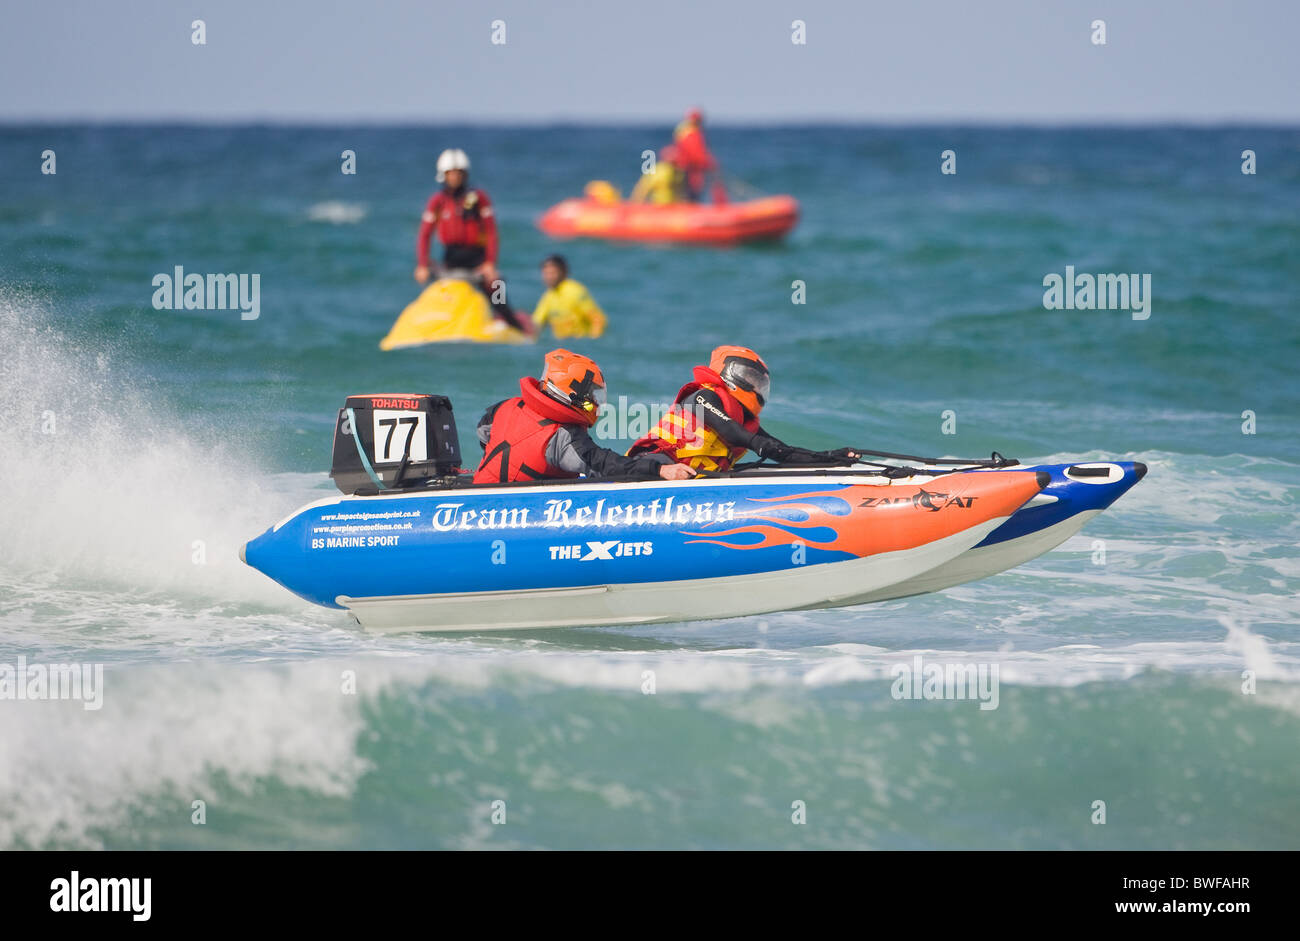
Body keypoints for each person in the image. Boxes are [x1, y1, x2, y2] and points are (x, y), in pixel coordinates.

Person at [475, 349, 695, 484]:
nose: (594, 402)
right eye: (590, 395)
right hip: (519, 508)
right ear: (571, 394)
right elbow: (603, 463)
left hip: (481, 491)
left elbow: (484, 433)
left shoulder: (504, 407)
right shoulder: (562, 436)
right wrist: (660, 469)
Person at [628, 346, 860, 472]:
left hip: (691, 477)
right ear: (728, 372)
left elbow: (782, 452)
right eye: (749, 377)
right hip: (653, 465)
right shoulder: (702, 397)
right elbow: (729, 430)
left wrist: (830, 457)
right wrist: (760, 444)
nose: (756, 386)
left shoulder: (744, 421)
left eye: (760, 382)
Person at [414, 148, 532, 334]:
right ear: (443, 175)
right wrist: (422, 264)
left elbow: (492, 232)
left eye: (458, 173)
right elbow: (424, 235)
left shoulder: (478, 198)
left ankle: (515, 325)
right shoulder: (437, 201)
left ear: (465, 174)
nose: (454, 177)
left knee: (497, 288)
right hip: (450, 257)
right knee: (438, 288)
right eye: (450, 173)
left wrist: (490, 264)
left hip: (477, 256)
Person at [532, 255, 608, 340]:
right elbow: (536, 325)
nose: (549, 277)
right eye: (546, 274)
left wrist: (594, 340)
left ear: (563, 272)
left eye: (552, 273)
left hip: (579, 345)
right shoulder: (548, 296)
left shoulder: (575, 291)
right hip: (561, 347)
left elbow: (598, 319)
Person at [672, 108, 718, 202]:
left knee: (689, 193)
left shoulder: (685, 132)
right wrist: (708, 163)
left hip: (687, 169)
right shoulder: (692, 134)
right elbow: (696, 154)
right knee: (691, 194)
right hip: (690, 170)